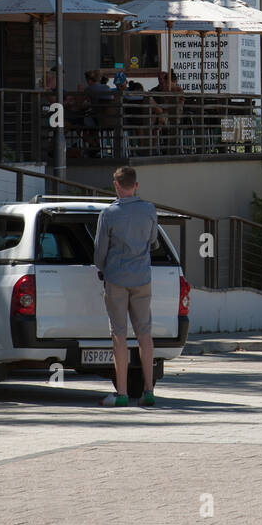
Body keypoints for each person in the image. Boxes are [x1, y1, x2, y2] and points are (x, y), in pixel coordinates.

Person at [93, 166, 158, 407]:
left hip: (117, 279)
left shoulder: (109, 214)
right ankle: (148, 391)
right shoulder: (150, 210)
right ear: (136, 186)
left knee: (119, 335)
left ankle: (121, 394)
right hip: (142, 278)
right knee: (145, 334)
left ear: (117, 186)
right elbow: (153, 241)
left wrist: (103, 268)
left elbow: (99, 252)